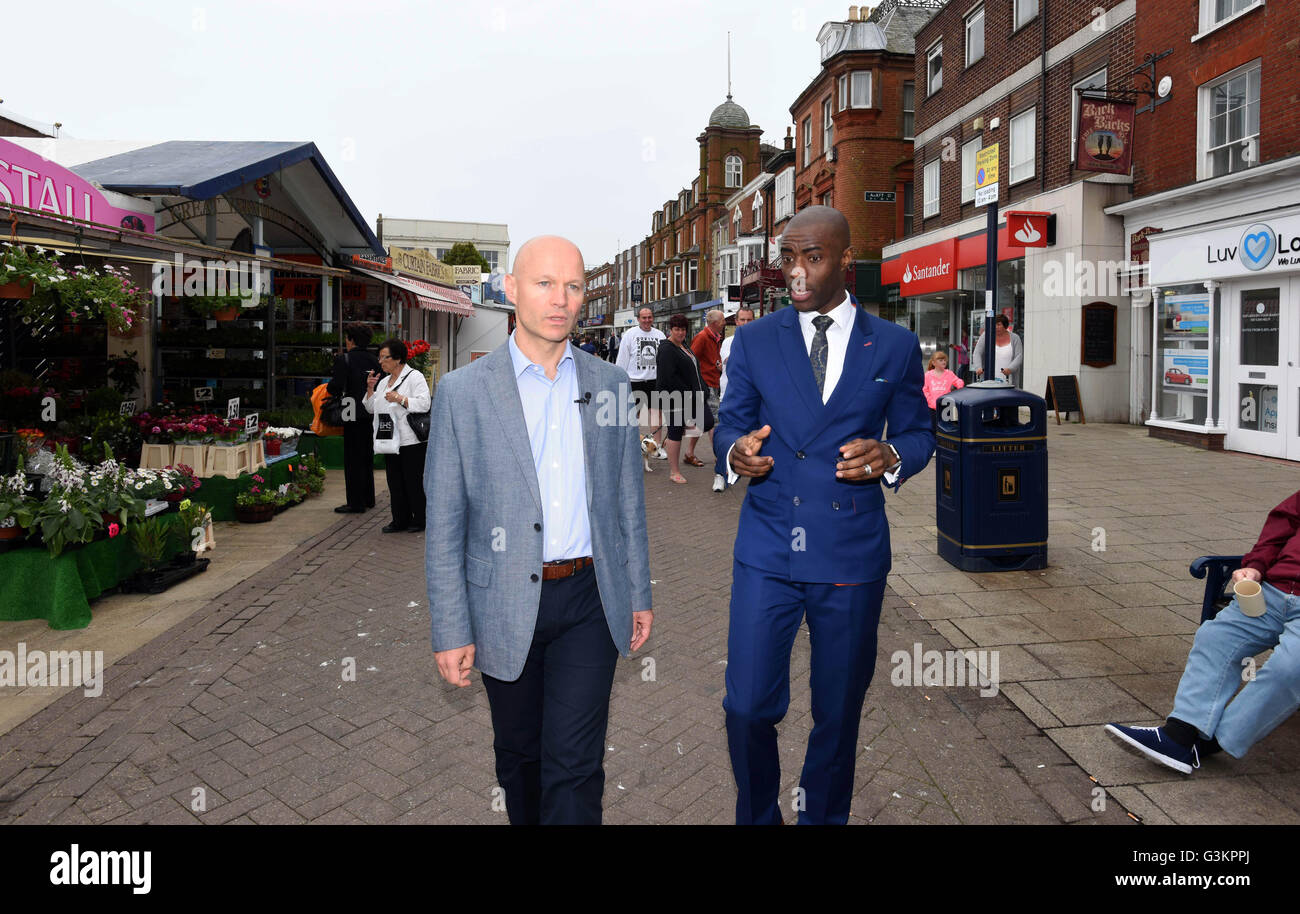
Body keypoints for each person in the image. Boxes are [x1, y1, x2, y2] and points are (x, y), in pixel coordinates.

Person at [715, 205, 935, 825]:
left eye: (811, 257)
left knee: (838, 711)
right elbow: (732, 419)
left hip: (850, 550)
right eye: (788, 257)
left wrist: (891, 453)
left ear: (845, 261)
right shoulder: (757, 340)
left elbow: (921, 433)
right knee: (747, 706)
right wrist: (735, 451)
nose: (796, 271)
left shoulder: (892, 343)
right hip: (769, 545)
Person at [424, 235, 653, 826]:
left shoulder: (610, 384)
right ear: (511, 289)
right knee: (520, 759)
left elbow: (628, 499)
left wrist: (639, 592)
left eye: (573, 285)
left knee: (575, 765)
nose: (561, 299)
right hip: (503, 600)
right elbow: (445, 522)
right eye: (545, 283)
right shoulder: (462, 393)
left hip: (588, 599)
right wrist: (450, 627)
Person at [1105, 489, 1300, 773]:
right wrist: (1255, 567)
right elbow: (1280, 529)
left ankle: (1212, 743)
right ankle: (1179, 734)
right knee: (1216, 637)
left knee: (1290, 669)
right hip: (1272, 591)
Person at [363, 339, 431, 533]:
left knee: (413, 481)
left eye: (385, 357)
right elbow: (370, 408)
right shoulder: (384, 382)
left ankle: (419, 519)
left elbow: (424, 403)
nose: (381, 362)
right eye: (380, 357)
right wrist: (370, 389)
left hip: (410, 440)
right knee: (395, 481)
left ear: (398, 359)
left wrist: (400, 398)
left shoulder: (414, 377)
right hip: (389, 439)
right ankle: (399, 520)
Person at [654, 313, 715, 486]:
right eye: (677, 329)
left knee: (707, 421)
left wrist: (701, 388)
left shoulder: (684, 346)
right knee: (675, 431)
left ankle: (675, 438)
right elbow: (668, 378)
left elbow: (694, 369)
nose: (680, 333)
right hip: (675, 399)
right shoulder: (667, 349)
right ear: (670, 330)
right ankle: (674, 472)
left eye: (683, 329)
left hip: (693, 396)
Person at [327, 323, 381, 514]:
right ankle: (368, 498)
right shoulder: (375, 360)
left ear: (351, 340)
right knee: (366, 455)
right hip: (370, 411)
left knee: (352, 458)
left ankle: (355, 502)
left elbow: (335, 386)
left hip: (350, 411)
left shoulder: (345, 359)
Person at [615, 306, 668, 458]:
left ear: (653, 318)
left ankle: (657, 448)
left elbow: (664, 359)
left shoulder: (660, 335)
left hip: (654, 380)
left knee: (656, 414)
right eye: (644, 318)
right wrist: (619, 379)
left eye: (649, 317)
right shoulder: (630, 334)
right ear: (638, 319)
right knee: (633, 415)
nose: (647, 320)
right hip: (634, 380)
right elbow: (622, 358)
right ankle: (632, 445)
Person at [687, 309, 725, 484]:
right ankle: (719, 456)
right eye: (723, 320)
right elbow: (691, 360)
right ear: (715, 323)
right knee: (713, 422)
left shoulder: (715, 337)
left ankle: (689, 453)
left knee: (701, 421)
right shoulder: (703, 337)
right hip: (706, 384)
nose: (725, 323)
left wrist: (717, 366)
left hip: (711, 382)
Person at [972, 315, 1023, 387]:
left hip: (1008, 380)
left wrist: (1010, 369)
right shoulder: (986, 336)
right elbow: (977, 353)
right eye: (994, 325)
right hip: (987, 380)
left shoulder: (1015, 338)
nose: (996, 327)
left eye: (999, 324)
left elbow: (1019, 356)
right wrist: (978, 367)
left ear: (1005, 325)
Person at [922, 350, 964, 429]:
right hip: (932, 408)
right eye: (941, 360)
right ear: (934, 363)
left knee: (946, 428)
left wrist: (960, 386)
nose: (944, 362)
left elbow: (958, 381)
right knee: (933, 428)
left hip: (946, 406)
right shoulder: (928, 375)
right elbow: (925, 390)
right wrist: (932, 402)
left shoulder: (949, 373)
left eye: (945, 360)